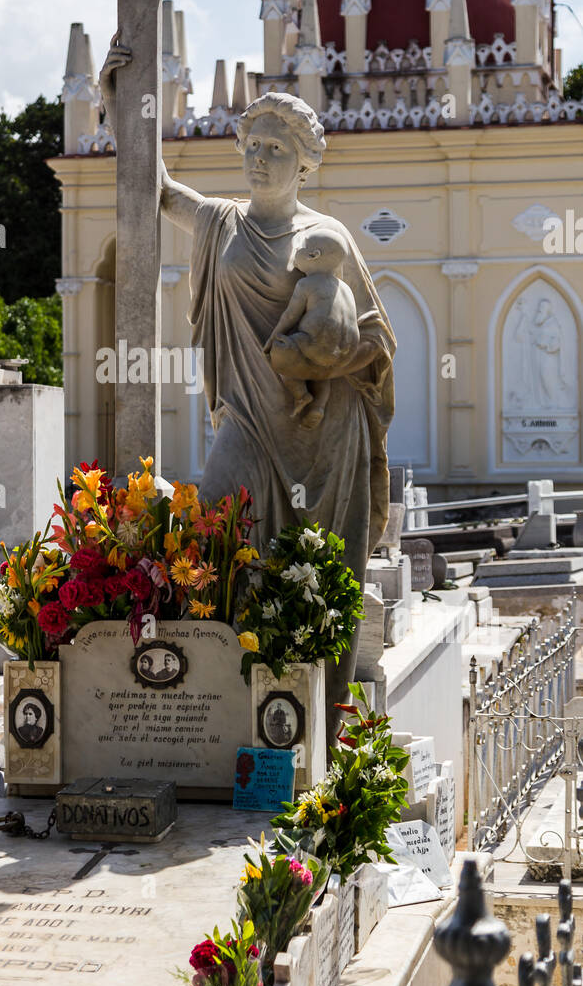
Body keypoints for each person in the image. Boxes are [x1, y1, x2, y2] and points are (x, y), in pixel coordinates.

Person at [100, 43, 395, 736]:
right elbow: (158, 190)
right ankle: (231, 709)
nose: (259, 158)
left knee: (319, 577)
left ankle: (314, 728)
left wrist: (324, 353)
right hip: (245, 421)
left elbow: (375, 340)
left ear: (303, 161)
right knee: (218, 535)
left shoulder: (328, 237)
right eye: (252, 143)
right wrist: (123, 103)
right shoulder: (222, 224)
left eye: (275, 147)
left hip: (323, 435)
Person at [262, 228, 359, 428]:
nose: (294, 252)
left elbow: (290, 315)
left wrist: (273, 339)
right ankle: (319, 406)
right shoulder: (345, 288)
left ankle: (301, 394)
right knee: (322, 371)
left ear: (313, 255)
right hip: (346, 352)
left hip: (314, 344)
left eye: (299, 247)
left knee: (280, 354)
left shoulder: (307, 284)